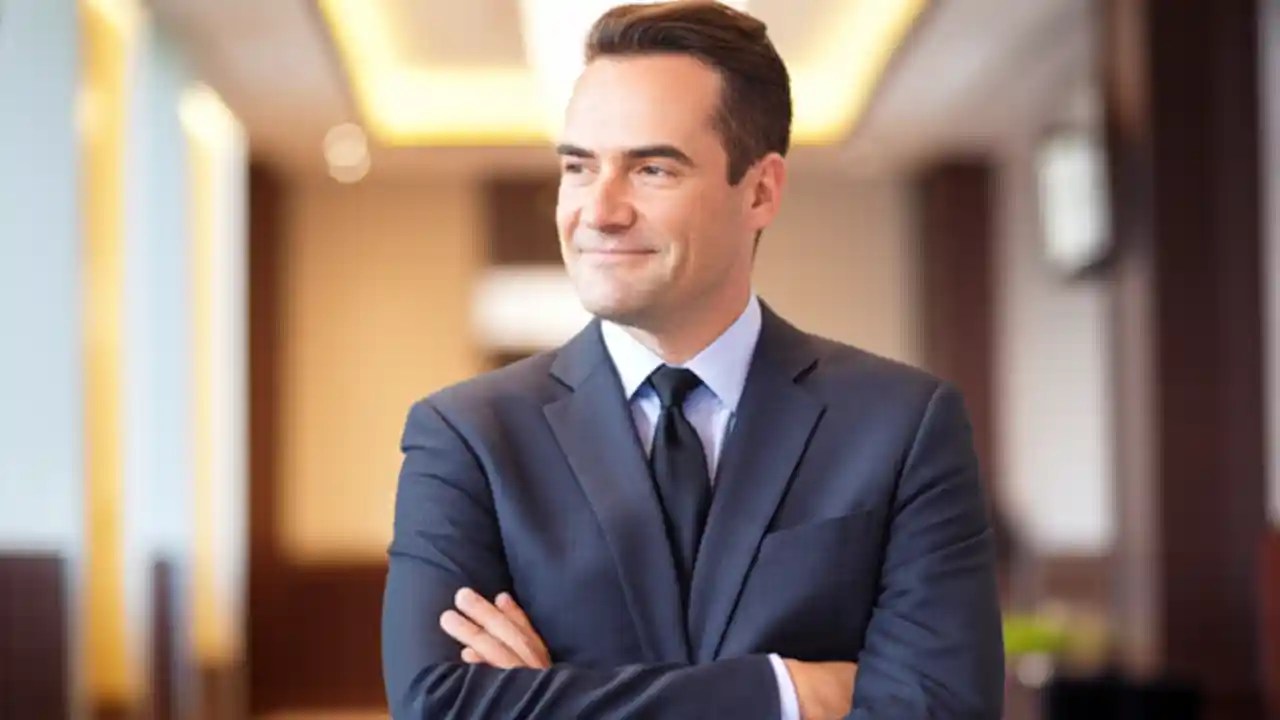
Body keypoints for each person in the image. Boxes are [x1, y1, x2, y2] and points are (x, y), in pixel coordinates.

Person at [380, 2, 1004, 717]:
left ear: (761, 189)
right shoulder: (467, 435)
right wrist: (787, 692)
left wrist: (542, 697)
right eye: (579, 167)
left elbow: (940, 708)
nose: (600, 210)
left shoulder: (902, 426)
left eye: (651, 169)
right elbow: (441, 705)